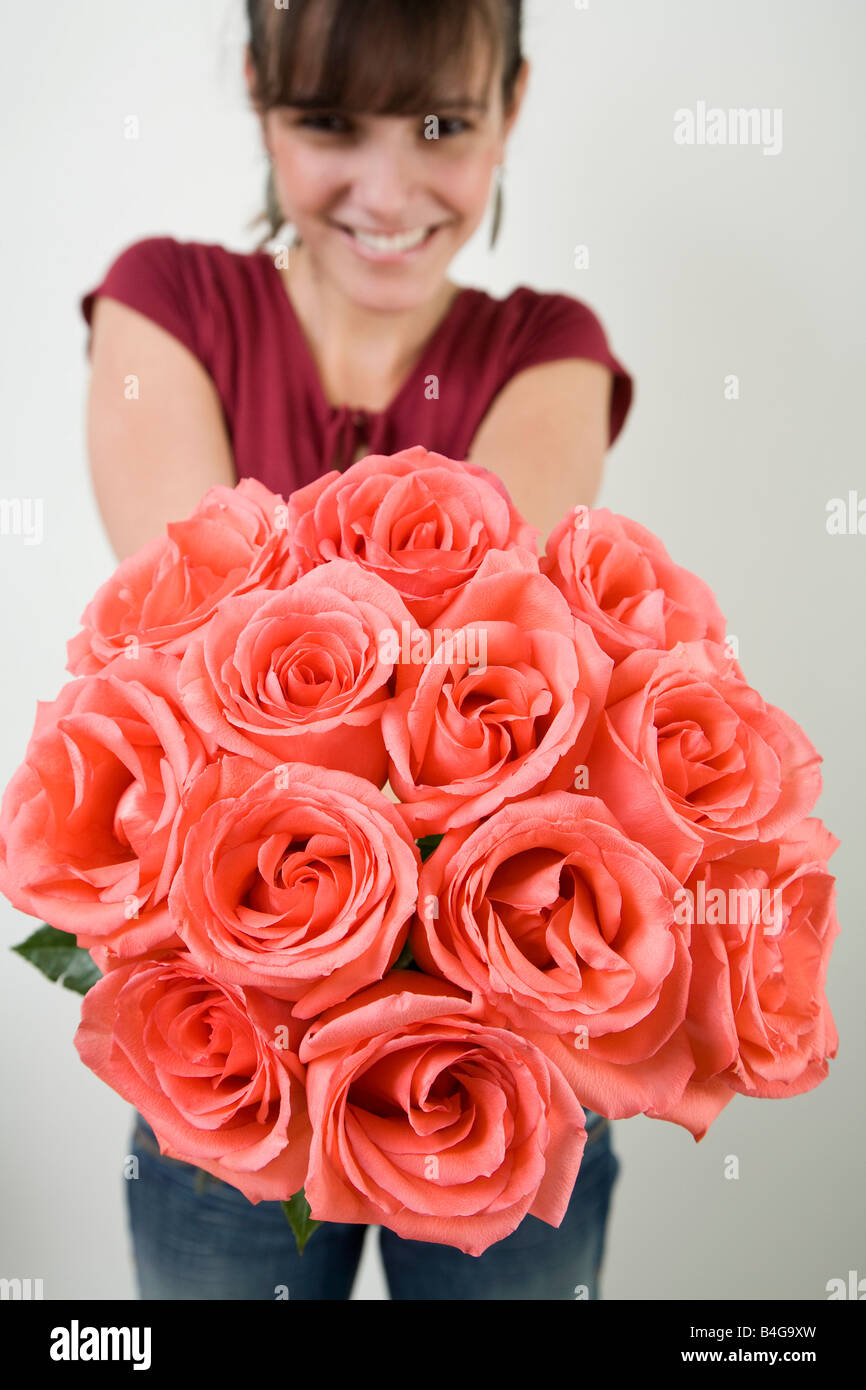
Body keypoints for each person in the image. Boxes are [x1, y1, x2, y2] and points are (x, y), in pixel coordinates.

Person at [79, 0, 633, 1301]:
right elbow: (183, 671)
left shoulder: (548, 350)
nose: (386, 191)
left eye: (441, 124)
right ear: (264, 100)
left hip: (493, 1053)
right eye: (330, 123)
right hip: (229, 1053)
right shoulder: (165, 300)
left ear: (513, 106)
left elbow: (479, 678)